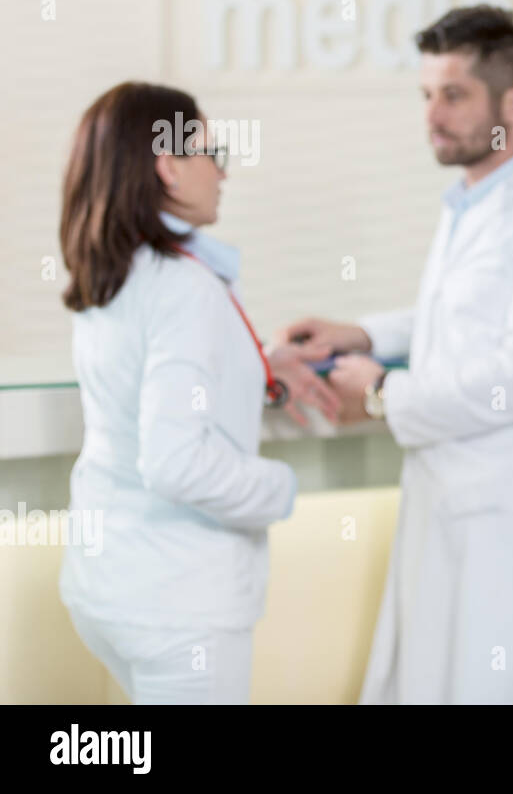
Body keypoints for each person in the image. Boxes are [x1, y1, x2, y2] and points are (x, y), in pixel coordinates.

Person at [280, 5, 513, 704]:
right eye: (427, 95)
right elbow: (458, 323)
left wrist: (379, 394)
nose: (432, 114)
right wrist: (362, 335)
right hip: (450, 515)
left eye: (454, 95)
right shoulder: (469, 204)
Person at [57, 81, 339, 703]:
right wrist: (280, 489)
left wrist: (260, 366)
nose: (223, 174)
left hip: (110, 586)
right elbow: (175, 461)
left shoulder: (116, 270)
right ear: (169, 167)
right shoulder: (183, 289)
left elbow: (145, 384)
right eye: (214, 154)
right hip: (178, 602)